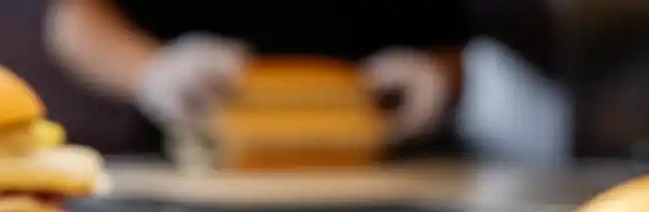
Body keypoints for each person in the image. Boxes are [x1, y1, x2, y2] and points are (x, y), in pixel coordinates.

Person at [42, 0, 470, 154]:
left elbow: (454, 36)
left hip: (392, 175)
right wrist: (151, 70)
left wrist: (435, 76)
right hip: (194, 168)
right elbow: (75, 20)